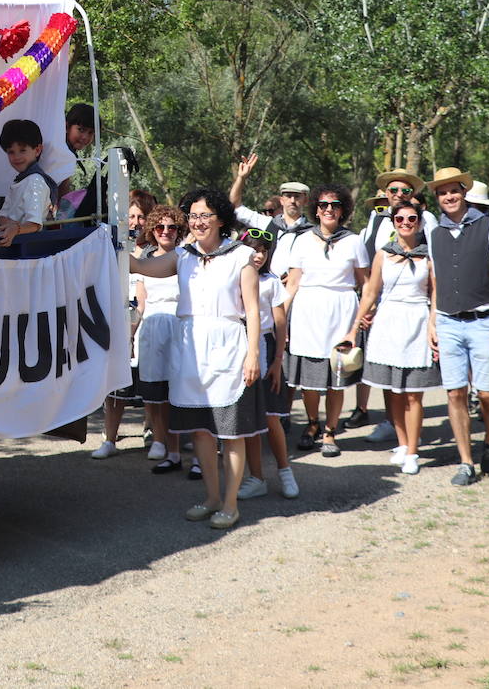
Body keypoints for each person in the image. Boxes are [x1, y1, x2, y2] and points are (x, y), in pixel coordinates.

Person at [130, 188, 263, 530]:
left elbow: (252, 309)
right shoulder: (182, 256)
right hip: (190, 348)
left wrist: (253, 355)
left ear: (220, 219)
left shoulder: (242, 256)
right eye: (193, 216)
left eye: (205, 215)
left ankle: (231, 504)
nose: (198, 222)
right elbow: (142, 266)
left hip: (228, 345)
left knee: (230, 431)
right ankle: (212, 498)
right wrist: (111, 242)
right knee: (201, 431)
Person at [426, 167, 489, 486]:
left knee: (488, 392)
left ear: (464, 192)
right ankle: (466, 461)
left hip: (485, 321)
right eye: (442, 192)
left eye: (454, 191)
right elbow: (437, 281)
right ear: (436, 198)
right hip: (449, 322)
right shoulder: (434, 233)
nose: (449, 197)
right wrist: (432, 320)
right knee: (455, 393)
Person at [354, 201, 441, 475]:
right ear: (393, 222)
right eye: (400, 218)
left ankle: (413, 451)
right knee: (393, 392)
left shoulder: (429, 255)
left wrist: (433, 324)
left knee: (414, 395)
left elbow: (435, 294)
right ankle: (402, 444)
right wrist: (353, 326)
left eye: (411, 218)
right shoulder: (382, 254)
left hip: (416, 320)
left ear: (419, 221)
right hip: (387, 323)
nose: (406, 223)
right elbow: (370, 292)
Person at [283, 183, 370, 457]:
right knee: (309, 381)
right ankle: (312, 425)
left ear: (343, 209)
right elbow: (292, 283)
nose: (329, 209)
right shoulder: (302, 240)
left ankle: (330, 432)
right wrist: (281, 321)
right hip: (308, 312)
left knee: (337, 378)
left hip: (342, 311)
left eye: (334, 205)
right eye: (323, 205)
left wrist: (364, 315)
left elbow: (364, 284)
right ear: (316, 210)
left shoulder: (354, 241)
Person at [92, 188, 155, 459]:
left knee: (151, 384)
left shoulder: (154, 250)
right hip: (118, 320)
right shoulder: (112, 245)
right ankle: (110, 437)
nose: (136, 222)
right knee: (115, 386)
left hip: (147, 322)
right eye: (131, 215)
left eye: (142, 216)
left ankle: (151, 430)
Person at [238, 229, 298, 499]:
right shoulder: (234, 275)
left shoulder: (272, 281)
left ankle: (285, 471)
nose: (259, 255)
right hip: (238, 345)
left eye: (264, 250)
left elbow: (280, 321)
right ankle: (256, 477)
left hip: (265, 346)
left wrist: (277, 361)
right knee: (249, 417)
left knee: (272, 417)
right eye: (254, 249)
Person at [134, 204, 185, 472]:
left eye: (172, 227)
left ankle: (176, 442)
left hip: (177, 325)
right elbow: (140, 304)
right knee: (153, 391)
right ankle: (158, 439)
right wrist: (131, 334)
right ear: (152, 231)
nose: (166, 231)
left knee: (174, 390)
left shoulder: (186, 257)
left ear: (179, 231)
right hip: (151, 326)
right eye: (160, 227)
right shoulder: (144, 260)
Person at [227, 153, 313, 278]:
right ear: (282, 200)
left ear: (306, 200)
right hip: (266, 287)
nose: (293, 201)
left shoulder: (312, 233)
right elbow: (235, 207)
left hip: (298, 289)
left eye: (297, 197)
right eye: (288, 196)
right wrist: (241, 178)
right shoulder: (267, 223)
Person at [0, 119, 58, 247]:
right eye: (11, 152)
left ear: (38, 150)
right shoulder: (20, 180)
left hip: (26, 247)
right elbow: (1, 217)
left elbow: (34, 224)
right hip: (11, 243)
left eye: (22, 150)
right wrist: (11, 225)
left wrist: (15, 230)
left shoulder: (35, 181)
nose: (16, 157)